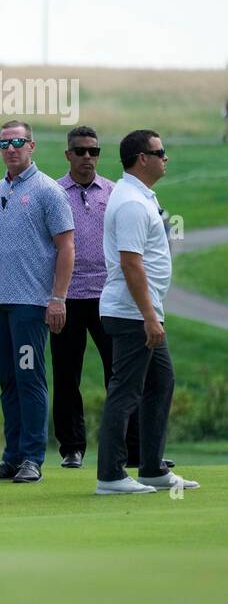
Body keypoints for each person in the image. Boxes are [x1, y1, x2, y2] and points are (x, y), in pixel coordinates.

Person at [0, 121, 75, 485]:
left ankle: (32, 457)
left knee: (29, 379)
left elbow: (66, 247)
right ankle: (12, 457)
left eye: (17, 142)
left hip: (31, 304)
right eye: (3, 143)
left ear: (31, 145)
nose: (10, 149)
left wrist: (57, 298)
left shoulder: (48, 191)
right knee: (8, 382)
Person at [95, 131, 198, 495]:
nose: (165, 158)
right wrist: (150, 316)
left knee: (160, 383)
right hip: (132, 313)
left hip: (140, 311)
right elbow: (131, 264)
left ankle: (153, 467)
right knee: (125, 391)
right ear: (142, 158)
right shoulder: (132, 204)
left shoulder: (139, 197)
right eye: (160, 152)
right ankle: (110, 475)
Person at [50, 128, 141, 469]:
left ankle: (132, 449)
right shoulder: (54, 193)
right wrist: (53, 296)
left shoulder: (114, 192)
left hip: (108, 296)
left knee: (120, 374)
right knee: (66, 374)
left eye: (93, 151)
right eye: (80, 151)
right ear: (68, 154)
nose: (87, 157)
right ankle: (72, 448)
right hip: (66, 297)